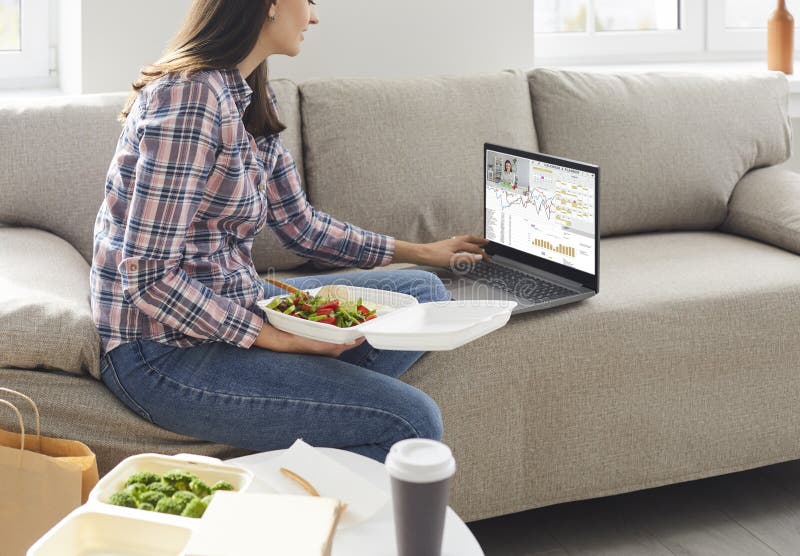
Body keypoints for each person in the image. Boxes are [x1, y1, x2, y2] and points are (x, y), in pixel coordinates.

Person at [90, 0, 490, 463]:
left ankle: (319, 405)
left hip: (237, 298)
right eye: (311, 1)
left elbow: (300, 226)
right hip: (162, 352)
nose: (315, 18)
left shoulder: (246, 90)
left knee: (422, 293)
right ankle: (318, 511)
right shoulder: (189, 98)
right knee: (411, 420)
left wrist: (423, 252)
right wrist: (277, 336)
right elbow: (148, 275)